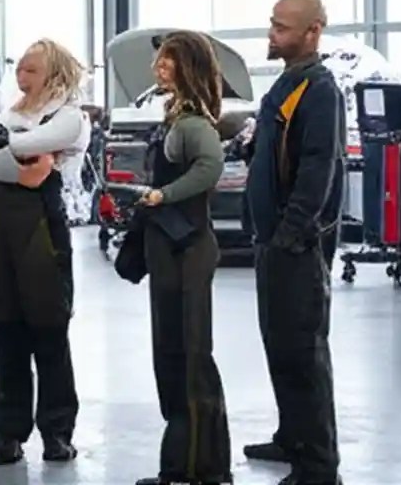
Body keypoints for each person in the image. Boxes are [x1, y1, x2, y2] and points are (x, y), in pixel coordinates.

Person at [0, 38, 89, 466]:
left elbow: (30, 166)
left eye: (31, 70)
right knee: (8, 332)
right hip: (1, 232)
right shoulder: (9, 111)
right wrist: (10, 144)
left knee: (50, 333)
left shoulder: (68, 117)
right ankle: (7, 434)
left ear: (52, 73)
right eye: (20, 68)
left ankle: (57, 431)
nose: (22, 76)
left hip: (42, 231)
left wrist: (6, 145)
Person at [242, 0, 344, 485]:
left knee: (303, 353)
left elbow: (317, 168)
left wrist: (292, 232)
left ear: (313, 31)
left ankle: (319, 466)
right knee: (279, 346)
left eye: (282, 27)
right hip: (270, 241)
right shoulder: (287, 84)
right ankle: (292, 436)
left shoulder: (319, 90)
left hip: (295, 246)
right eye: (272, 24)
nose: (272, 34)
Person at [133, 31, 232, 485]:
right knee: (171, 352)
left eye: (168, 58)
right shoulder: (173, 116)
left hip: (187, 246)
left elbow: (209, 168)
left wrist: (163, 194)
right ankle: (180, 463)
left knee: (189, 356)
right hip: (171, 246)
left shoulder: (192, 123)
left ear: (186, 64)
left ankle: (201, 468)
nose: (159, 65)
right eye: (159, 58)